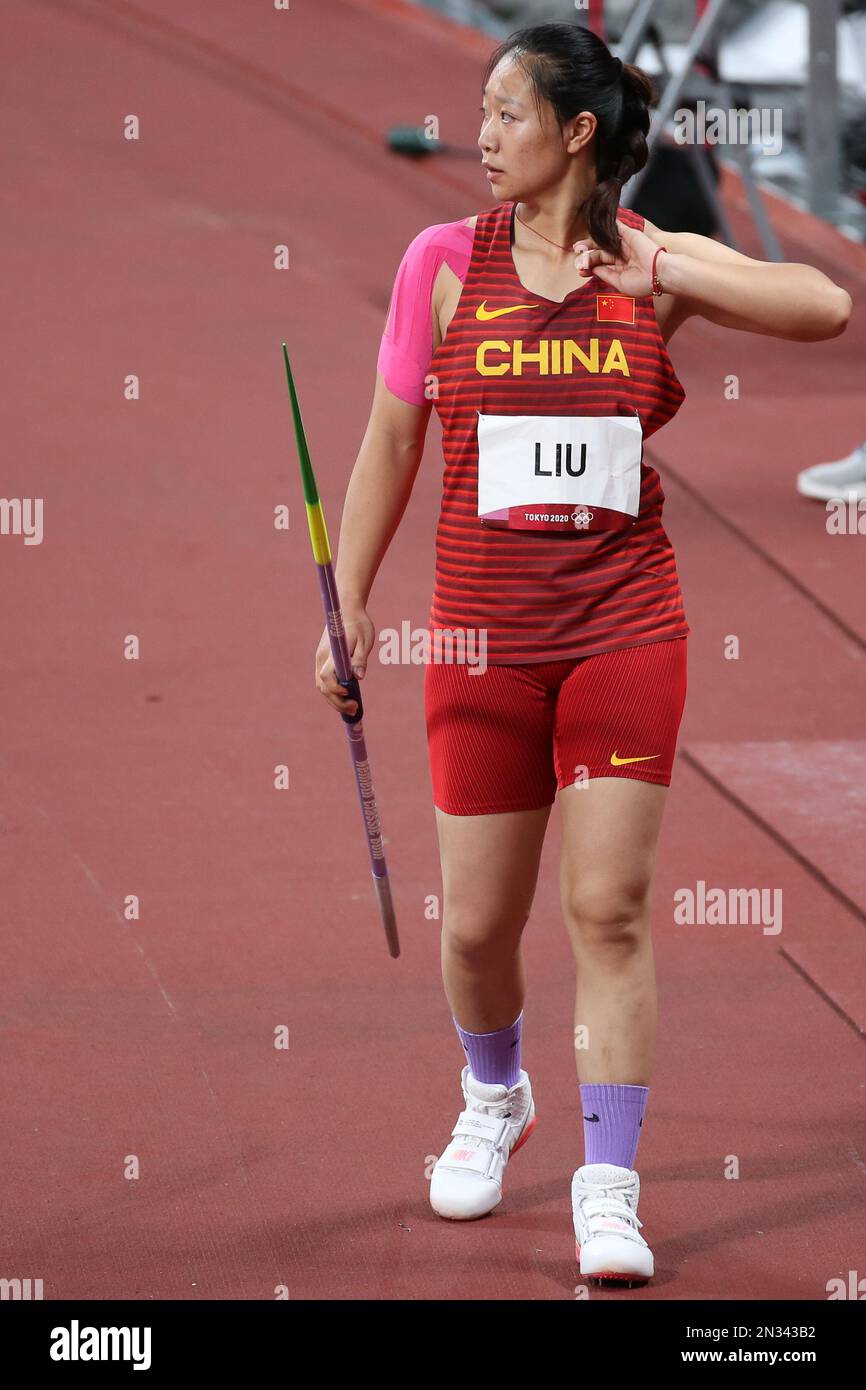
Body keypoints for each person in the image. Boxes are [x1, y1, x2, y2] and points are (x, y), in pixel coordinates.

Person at [314, 21, 851, 1286]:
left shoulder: (650, 263)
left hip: (622, 627)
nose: (480, 134)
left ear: (575, 134)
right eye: (479, 110)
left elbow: (824, 307)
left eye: (505, 113)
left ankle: (609, 1187)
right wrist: (346, 603)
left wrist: (672, 271)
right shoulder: (441, 264)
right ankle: (493, 1093)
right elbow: (391, 445)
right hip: (482, 643)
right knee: (476, 930)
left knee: (607, 910)